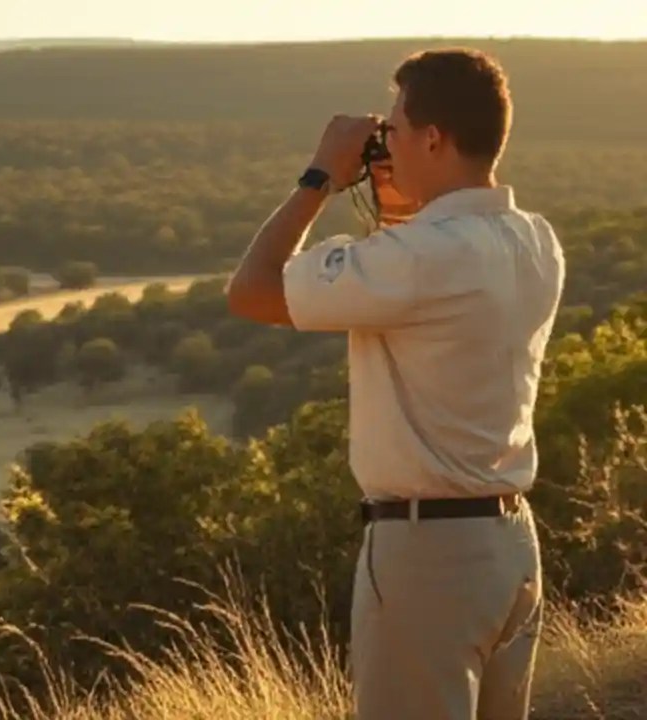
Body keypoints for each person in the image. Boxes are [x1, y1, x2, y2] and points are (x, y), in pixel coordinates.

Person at [225, 48, 565, 720]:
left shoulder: (418, 261)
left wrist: (321, 176)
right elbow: (429, 275)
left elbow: (251, 290)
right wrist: (406, 201)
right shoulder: (537, 241)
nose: (390, 145)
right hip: (511, 545)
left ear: (434, 138)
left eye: (399, 133)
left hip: (428, 555)